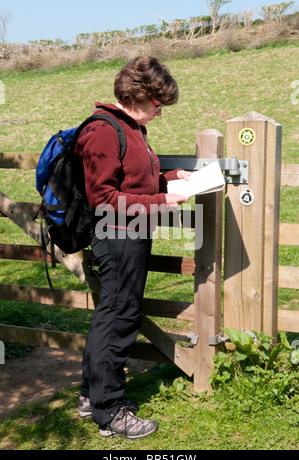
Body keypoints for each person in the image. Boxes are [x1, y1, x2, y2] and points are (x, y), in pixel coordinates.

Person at [76, 56, 190, 439]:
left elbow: (137, 179)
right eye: (158, 105)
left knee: (110, 315)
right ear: (139, 95)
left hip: (130, 232)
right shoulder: (103, 131)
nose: (160, 112)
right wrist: (161, 203)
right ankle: (110, 410)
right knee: (119, 319)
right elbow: (103, 199)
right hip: (116, 236)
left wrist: (173, 177)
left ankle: (91, 396)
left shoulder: (130, 128)